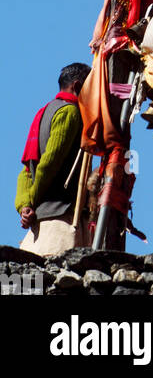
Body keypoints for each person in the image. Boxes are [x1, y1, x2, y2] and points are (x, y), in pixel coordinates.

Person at [15, 62, 91, 255]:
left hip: (39, 227)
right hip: (61, 224)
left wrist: (24, 206)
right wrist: (30, 201)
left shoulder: (43, 113)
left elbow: (26, 171)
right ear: (76, 86)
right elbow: (49, 163)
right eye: (90, 87)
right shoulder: (70, 112)